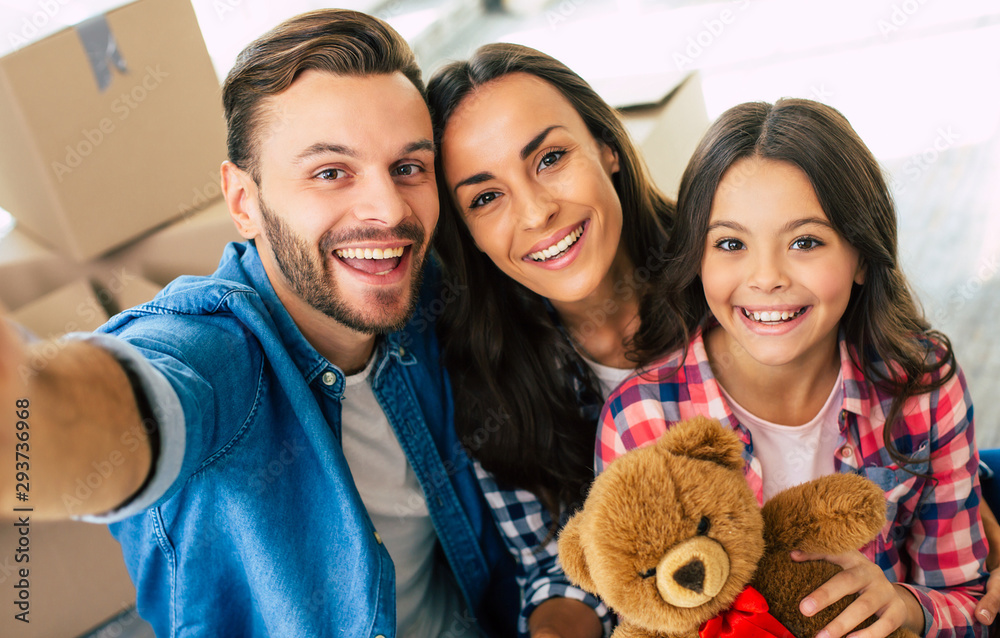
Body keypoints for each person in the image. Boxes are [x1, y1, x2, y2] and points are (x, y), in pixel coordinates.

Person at [0, 10, 518, 637]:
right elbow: (92, 418)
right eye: (331, 173)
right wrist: (30, 407)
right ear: (244, 202)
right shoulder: (215, 355)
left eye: (409, 167)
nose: (388, 209)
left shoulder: (430, 290)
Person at [597, 99, 988, 638]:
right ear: (697, 258)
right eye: (731, 243)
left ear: (862, 257)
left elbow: (968, 598)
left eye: (805, 241)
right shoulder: (640, 418)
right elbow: (643, 614)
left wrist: (906, 607)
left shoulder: (921, 387)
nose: (767, 277)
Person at [427, 43, 674, 637]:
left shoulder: (733, 282)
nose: (536, 212)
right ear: (470, 237)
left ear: (606, 148)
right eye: (486, 197)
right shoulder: (493, 378)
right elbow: (556, 566)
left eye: (550, 158)